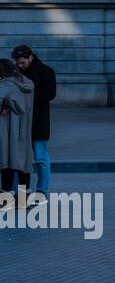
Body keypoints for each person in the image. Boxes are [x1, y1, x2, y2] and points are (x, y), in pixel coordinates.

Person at [11, 45, 54, 200]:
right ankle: (18, 191)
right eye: (17, 63)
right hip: (19, 121)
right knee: (18, 157)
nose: (19, 65)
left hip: (38, 120)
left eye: (22, 62)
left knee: (41, 157)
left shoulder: (46, 71)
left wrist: (27, 98)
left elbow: (50, 94)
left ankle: (42, 190)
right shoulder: (14, 72)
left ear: (30, 57)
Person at [0, 58, 36, 207]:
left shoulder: (6, 85)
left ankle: (6, 197)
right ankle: (24, 197)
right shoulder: (27, 84)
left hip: (9, 130)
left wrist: (4, 105)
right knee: (24, 162)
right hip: (25, 129)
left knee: (7, 160)